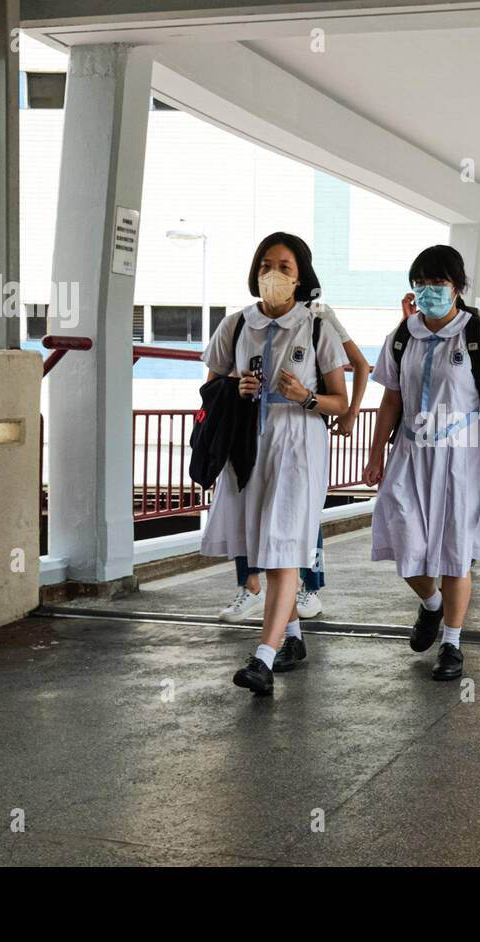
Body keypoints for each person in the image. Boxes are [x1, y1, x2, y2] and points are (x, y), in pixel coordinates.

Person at [200, 232, 350, 696]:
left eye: (285, 266)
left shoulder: (318, 326)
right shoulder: (235, 325)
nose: (274, 274)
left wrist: (304, 396)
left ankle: (262, 658)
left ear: (300, 274)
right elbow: (211, 389)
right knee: (261, 544)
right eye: (267, 264)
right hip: (249, 446)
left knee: (284, 546)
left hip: (298, 447)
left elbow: (339, 403)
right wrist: (235, 387)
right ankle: (292, 638)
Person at [364, 245, 480, 682]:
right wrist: (376, 454)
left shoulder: (476, 336)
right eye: (422, 283)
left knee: (455, 554)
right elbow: (391, 398)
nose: (429, 291)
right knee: (402, 535)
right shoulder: (402, 335)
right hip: (411, 453)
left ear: (458, 287)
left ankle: (451, 643)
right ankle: (431, 604)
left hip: (463, 456)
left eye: (439, 283)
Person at [218, 300, 371, 623]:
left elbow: (359, 364)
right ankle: (251, 587)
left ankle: (310, 586)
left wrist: (351, 413)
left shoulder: (319, 317)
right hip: (256, 429)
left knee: (300, 514)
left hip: (301, 428)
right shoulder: (249, 320)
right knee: (248, 507)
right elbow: (223, 374)